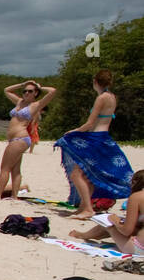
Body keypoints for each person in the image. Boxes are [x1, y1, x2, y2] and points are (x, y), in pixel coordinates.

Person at [55, 70, 135, 220]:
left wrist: (73, 131)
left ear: (95, 82)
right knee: (87, 175)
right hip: (104, 137)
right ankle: (83, 207)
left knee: (77, 174)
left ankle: (87, 208)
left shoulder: (101, 98)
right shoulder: (112, 97)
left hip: (96, 137)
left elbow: (90, 123)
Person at [0, 80, 56, 201]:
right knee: (15, 169)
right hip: (15, 139)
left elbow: (53, 91)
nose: (27, 93)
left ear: (35, 93)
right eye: (25, 91)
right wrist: (22, 84)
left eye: (30, 91)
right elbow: (6, 90)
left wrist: (39, 86)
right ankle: (14, 196)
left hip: (20, 138)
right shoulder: (19, 102)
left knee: (5, 167)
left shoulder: (35, 105)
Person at [69, 169, 144, 255]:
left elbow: (126, 231)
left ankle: (82, 235)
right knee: (122, 223)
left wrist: (115, 220)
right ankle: (84, 235)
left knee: (109, 224)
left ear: (134, 182)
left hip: (139, 249)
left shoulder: (137, 197)